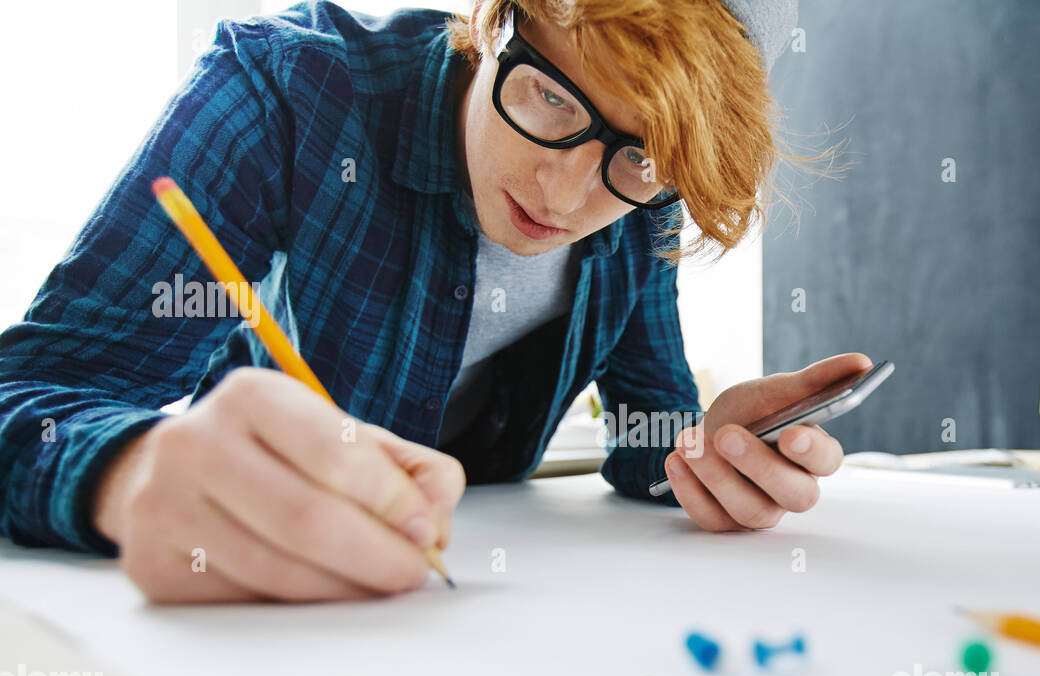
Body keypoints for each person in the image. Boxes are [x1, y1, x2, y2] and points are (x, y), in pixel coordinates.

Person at [0, 0, 868, 602]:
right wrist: (133, 471)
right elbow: (29, 396)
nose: (565, 194)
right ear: (494, 21)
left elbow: (646, 431)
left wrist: (705, 450)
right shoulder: (283, 92)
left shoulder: (642, 196)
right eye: (550, 95)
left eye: (638, 157)